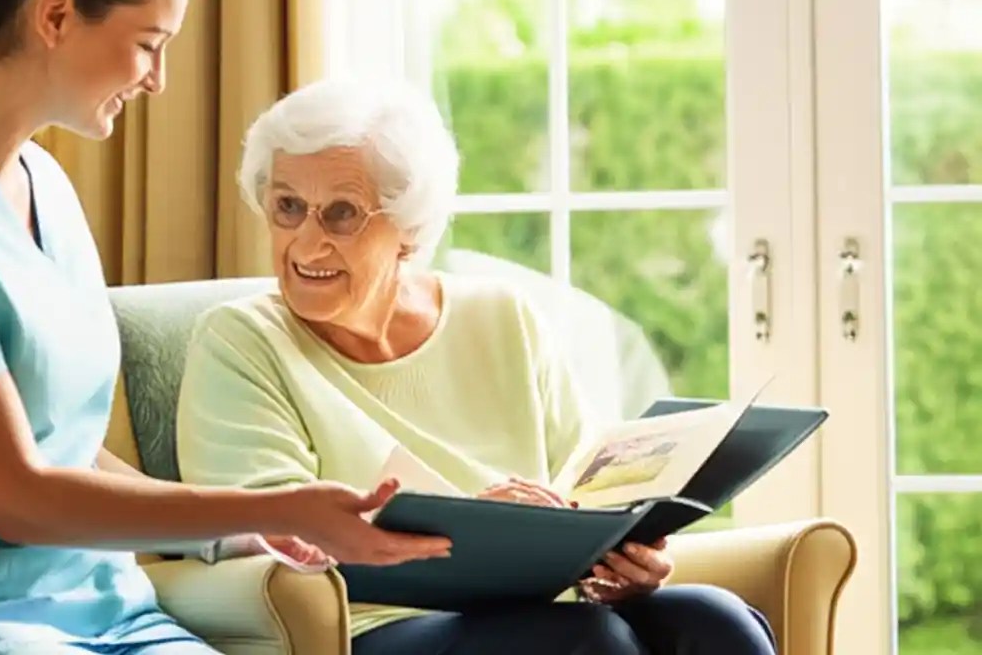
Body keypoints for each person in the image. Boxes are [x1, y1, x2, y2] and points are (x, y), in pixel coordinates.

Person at [0, 0, 451, 654]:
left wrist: (240, 530)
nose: (157, 80)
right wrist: (284, 503)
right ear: (57, 15)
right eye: (147, 43)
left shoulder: (47, 187)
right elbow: (16, 495)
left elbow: (62, 443)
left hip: (105, 615)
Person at [175, 79, 779, 655]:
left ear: (408, 231)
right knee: (585, 643)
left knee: (718, 625)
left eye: (341, 214)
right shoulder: (240, 341)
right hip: (377, 627)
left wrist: (621, 558)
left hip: (550, 609)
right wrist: (475, 528)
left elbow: (584, 484)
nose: (306, 243)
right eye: (287, 206)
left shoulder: (500, 316)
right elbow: (277, 537)